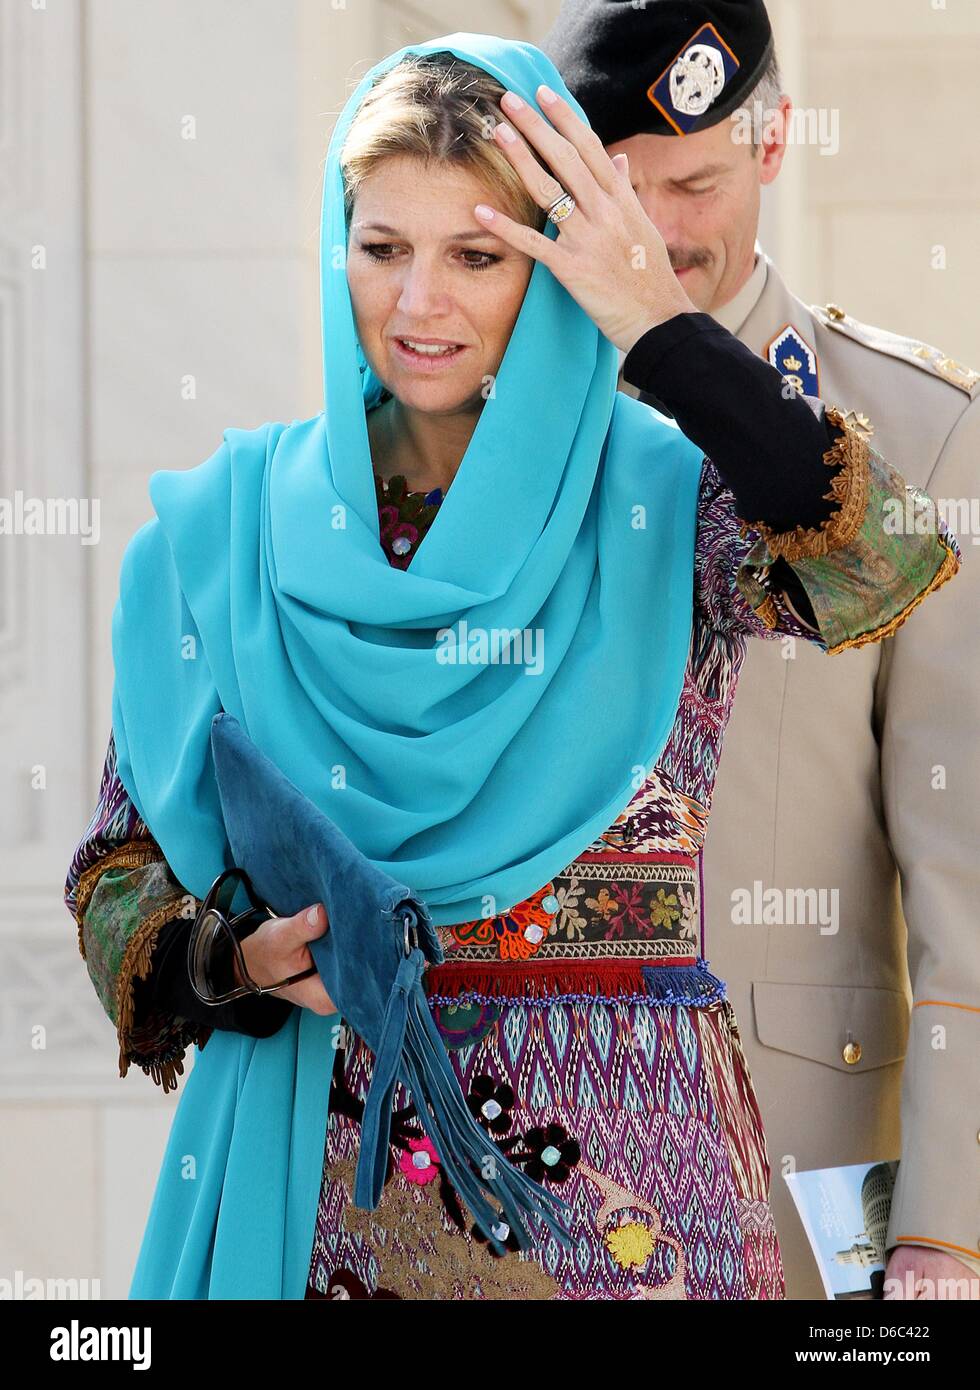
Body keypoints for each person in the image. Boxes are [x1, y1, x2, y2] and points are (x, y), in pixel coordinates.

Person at [63, 32, 961, 1301]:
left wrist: (656, 324)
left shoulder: (660, 498)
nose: (419, 304)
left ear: (548, 268)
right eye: (382, 250)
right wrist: (233, 957)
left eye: (477, 256)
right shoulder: (225, 529)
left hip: (641, 1208)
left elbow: (882, 563)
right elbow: (117, 877)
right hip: (334, 1189)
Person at [541, 0, 980, 1299]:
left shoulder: (919, 430)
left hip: (811, 1177)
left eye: (695, 182)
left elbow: (965, 871)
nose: (660, 231)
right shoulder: (478, 422)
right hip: (523, 1165)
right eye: (618, 189)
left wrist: (943, 1231)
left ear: (776, 142)